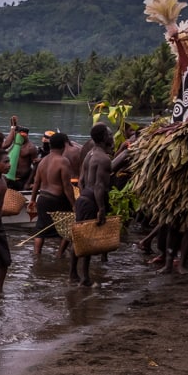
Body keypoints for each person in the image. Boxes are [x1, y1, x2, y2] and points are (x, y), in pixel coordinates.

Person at [70, 123, 114, 288]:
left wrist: (83, 198)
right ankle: (85, 279)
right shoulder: (103, 159)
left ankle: (73, 274)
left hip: (84, 198)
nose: (112, 137)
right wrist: (101, 208)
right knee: (87, 241)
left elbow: (81, 181)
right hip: (92, 200)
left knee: (79, 238)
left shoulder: (89, 154)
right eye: (110, 134)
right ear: (104, 138)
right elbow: (99, 187)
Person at [28, 132, 76, 258]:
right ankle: (60, 254)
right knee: (69, 226)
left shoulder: (43, 161)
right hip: (57, 199)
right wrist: (74, 205)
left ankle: (36, 255)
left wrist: (33, 200)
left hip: (43, 198)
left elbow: (36, 182)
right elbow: (67, 186)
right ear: (64, 146)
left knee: (40, 229)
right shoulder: (63, 161)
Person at [2, 118, 39, 189]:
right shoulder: (14, 144)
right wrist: (13, 127)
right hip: (8, 177)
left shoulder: (31, 148)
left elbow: (35, 166)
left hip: (22, 179)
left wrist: (28, 183)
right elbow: (4, 145)